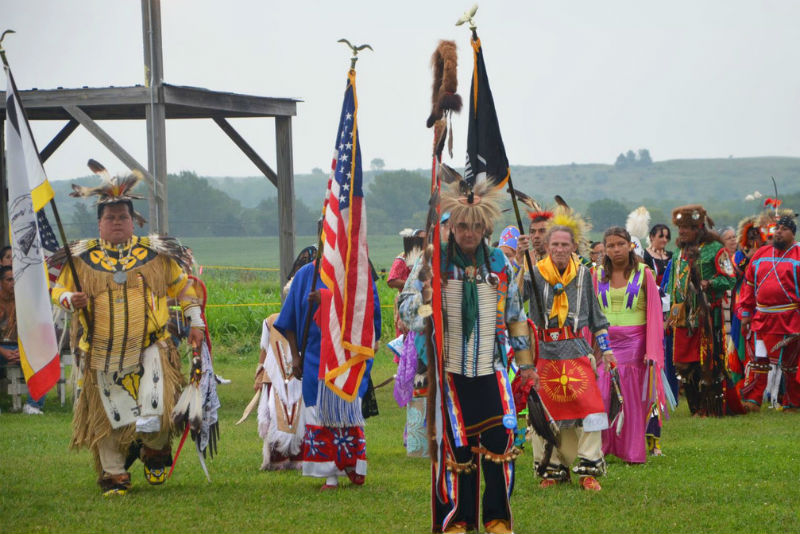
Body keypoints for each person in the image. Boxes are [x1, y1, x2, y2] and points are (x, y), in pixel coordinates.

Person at [51, 162, 204, 496]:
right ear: (99, 223)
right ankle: (114, 473)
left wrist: (196, 322)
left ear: (132, 221)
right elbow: (56, 289)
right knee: (108, 414)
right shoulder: (81, 259)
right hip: (100, 350)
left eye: (122, 217)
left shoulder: (155, 253)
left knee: (159, 406)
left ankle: (154, 451)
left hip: (152, 347)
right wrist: (68, 299)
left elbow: (183, 287)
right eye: (110, 218)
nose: (116, 223)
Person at [398, 181, 534, 534]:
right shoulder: (433, 263)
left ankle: (497, 519)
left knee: (500, 443)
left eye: (476, 226)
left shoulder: (499, 263)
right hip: (450, 372)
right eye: (462, 226)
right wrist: (428, 299)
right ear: (452, 227)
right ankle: (457, 519)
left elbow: (516, 317)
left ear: (485, 227)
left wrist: (526, 365)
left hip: (492, 368)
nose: (469, 233)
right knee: (456, 448)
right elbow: (406, 311)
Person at [273, 259, 381, 490]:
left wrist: (326, 299)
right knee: (318, 413)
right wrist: (295, 355)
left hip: (349, 359)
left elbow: (367, 314)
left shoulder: (358, 273)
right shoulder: (306, 275)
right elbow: (289, 319)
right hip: (315, 358)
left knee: (349, 411)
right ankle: (330, 475)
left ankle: (353, 466)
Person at [527, 213, 615, 491]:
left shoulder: (585, 274)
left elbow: (597, 318)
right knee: (545, 414)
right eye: (555, 245)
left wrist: (607, 351)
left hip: (577, 349)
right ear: (547, 246)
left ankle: (588, 470)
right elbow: (514, 308)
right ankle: (551, 469)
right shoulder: (533, 274)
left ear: (574, 246)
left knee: (590, 411)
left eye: (565, 245)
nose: (560, 250)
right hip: (544, 352)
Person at [594, 227, 667, 462]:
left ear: (629, 246)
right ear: (604, 249)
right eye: (611, 245)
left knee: (631, 399)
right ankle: (600, 448)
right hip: (604, 343)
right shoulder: (596, 275)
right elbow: (591, 313)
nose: (616, 249)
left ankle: (632, 451)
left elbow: (655, 314)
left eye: (620, 244)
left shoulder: (643, 274)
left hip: (634, 344)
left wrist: (651, 349)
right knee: (602, 395)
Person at [664, 204, 738, 416]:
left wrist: (708, 284)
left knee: (707, 363)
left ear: (699, 227)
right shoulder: (680, 251)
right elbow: (672, 283)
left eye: (687, 227)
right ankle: (696, 407)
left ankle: (711, 408)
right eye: (680, 228)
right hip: (683, 318)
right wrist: (672, 311)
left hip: (707, 316)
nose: (682, 232)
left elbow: (729, 279)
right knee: (684, 364)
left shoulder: (716, 249)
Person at [738, 214, 800, 410]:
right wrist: (746, 313)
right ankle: (753, 400)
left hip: (790, 318)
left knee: (791, 363)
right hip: (761, 318)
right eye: (777, 228)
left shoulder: (798, 255)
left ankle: (793, 401)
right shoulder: (761, 253)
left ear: (793, 234)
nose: (779, 232)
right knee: (758, 360)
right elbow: (748, 283)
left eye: (784, 229)